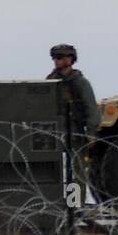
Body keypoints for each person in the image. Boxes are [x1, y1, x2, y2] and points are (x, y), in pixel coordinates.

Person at [46, 44, 99, 199]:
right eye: (55, 58)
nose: (57, 61)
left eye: (61, 57)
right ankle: (56, 204)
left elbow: (91, 109)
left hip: (75, 131)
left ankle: (74, 205)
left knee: (76, 173)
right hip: (55, 131)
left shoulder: (79, 82)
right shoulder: (51, 82)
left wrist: (91, 133)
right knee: (54, 172)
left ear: (70, 59)